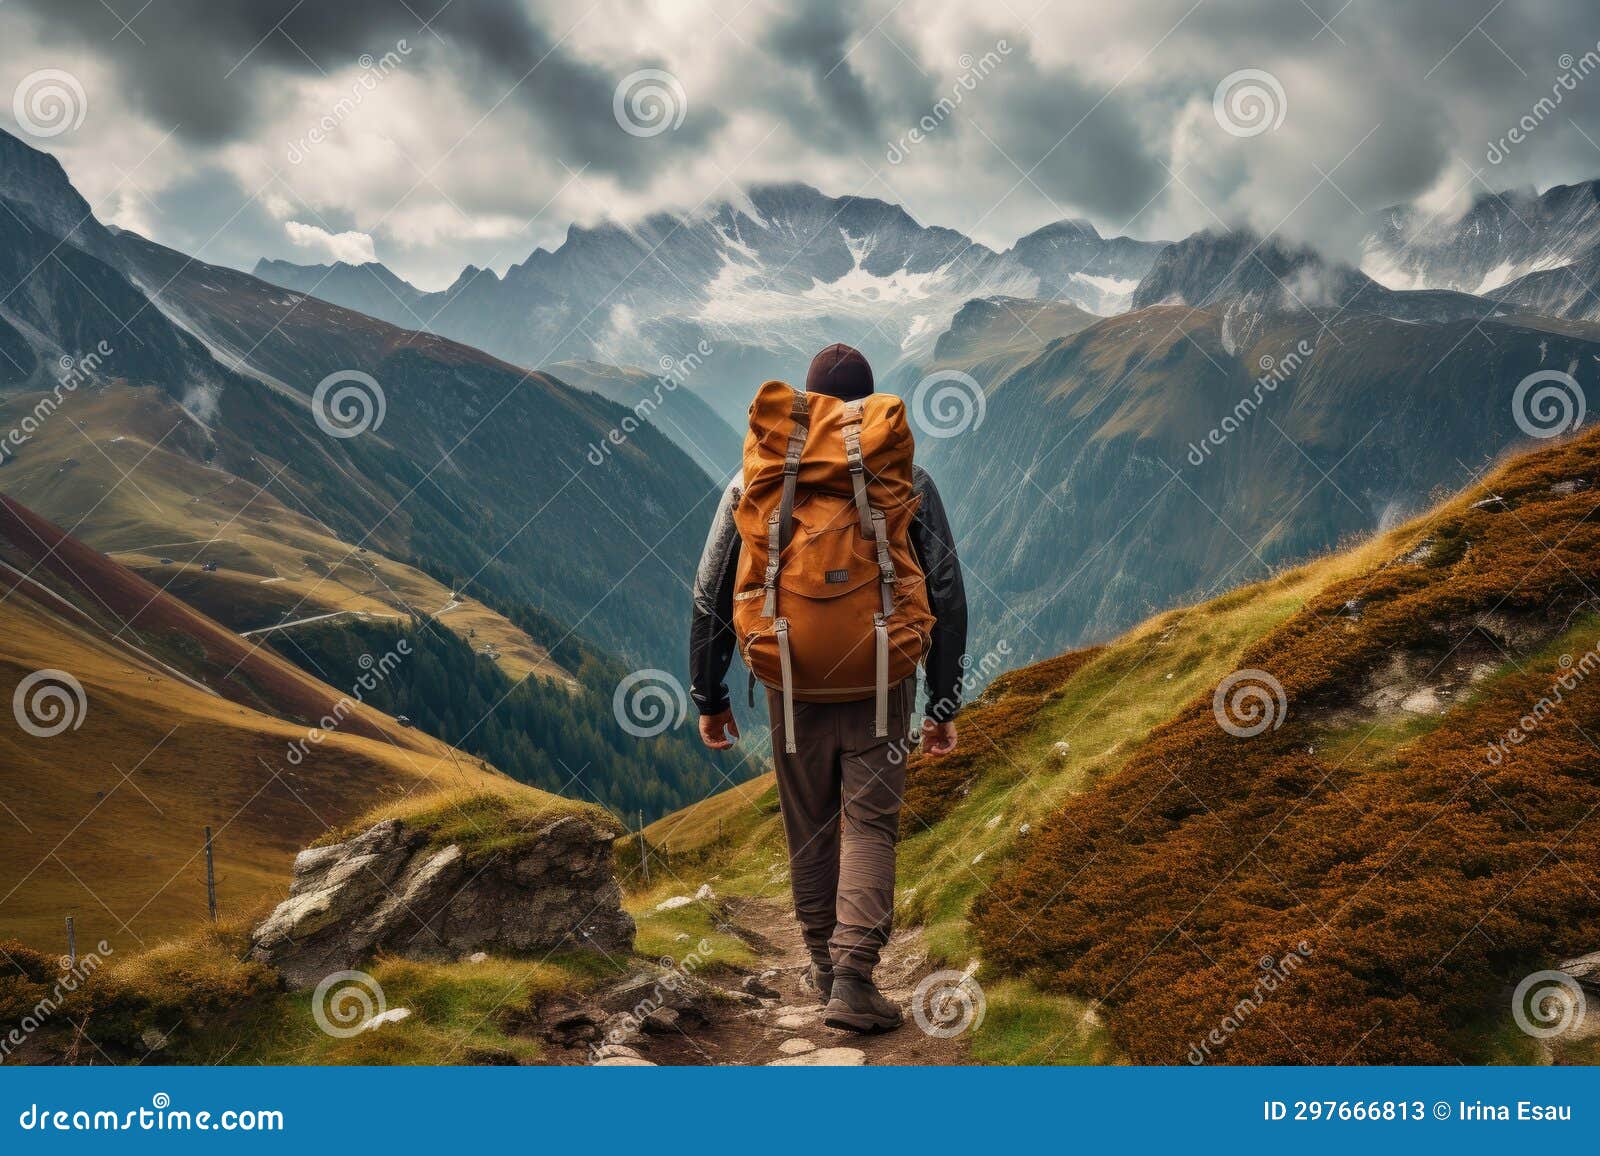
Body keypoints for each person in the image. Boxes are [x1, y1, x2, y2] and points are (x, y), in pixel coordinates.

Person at [689, 343, 968, 1033]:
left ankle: (824, 971)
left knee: (809, 826)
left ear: (808, 405)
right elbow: (948, 595)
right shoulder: (907, 479)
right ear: (870, 406)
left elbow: (709, 593)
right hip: (881, 678)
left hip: (791, 679)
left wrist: (710, 695)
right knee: (870, 823)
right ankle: (853, 979)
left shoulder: (751, 481)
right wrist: (942, 704)